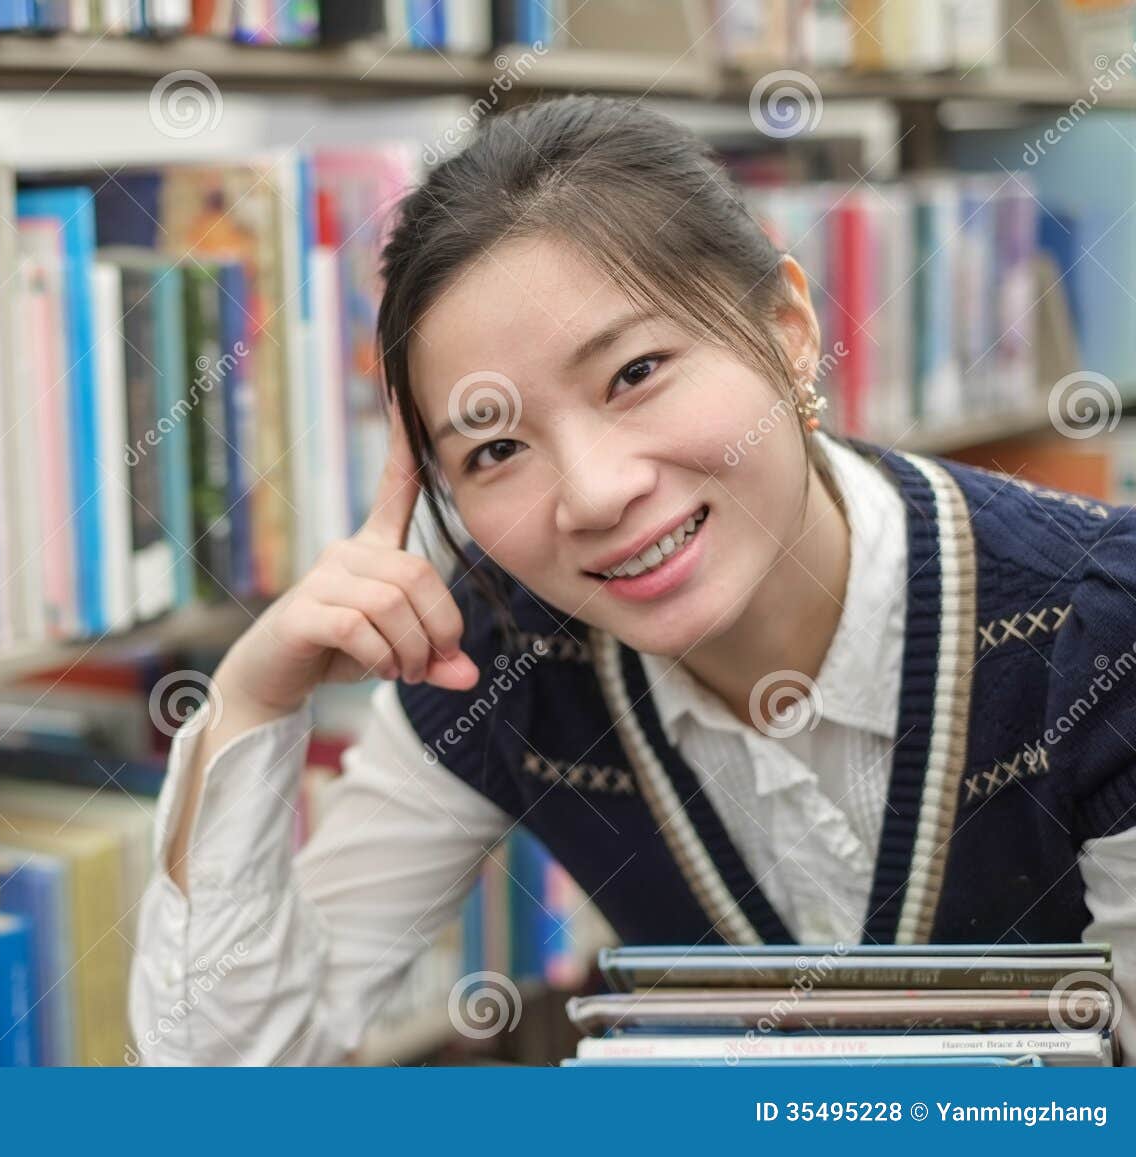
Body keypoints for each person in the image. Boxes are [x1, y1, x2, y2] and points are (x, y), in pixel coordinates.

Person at [128, 94, 1136, 1065]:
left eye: (635, 373)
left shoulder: (1093, 632)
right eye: (493, 449)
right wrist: (251, 695)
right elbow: (229, 1079)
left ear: (787, 331)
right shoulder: (501, 657)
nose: (595, 493)